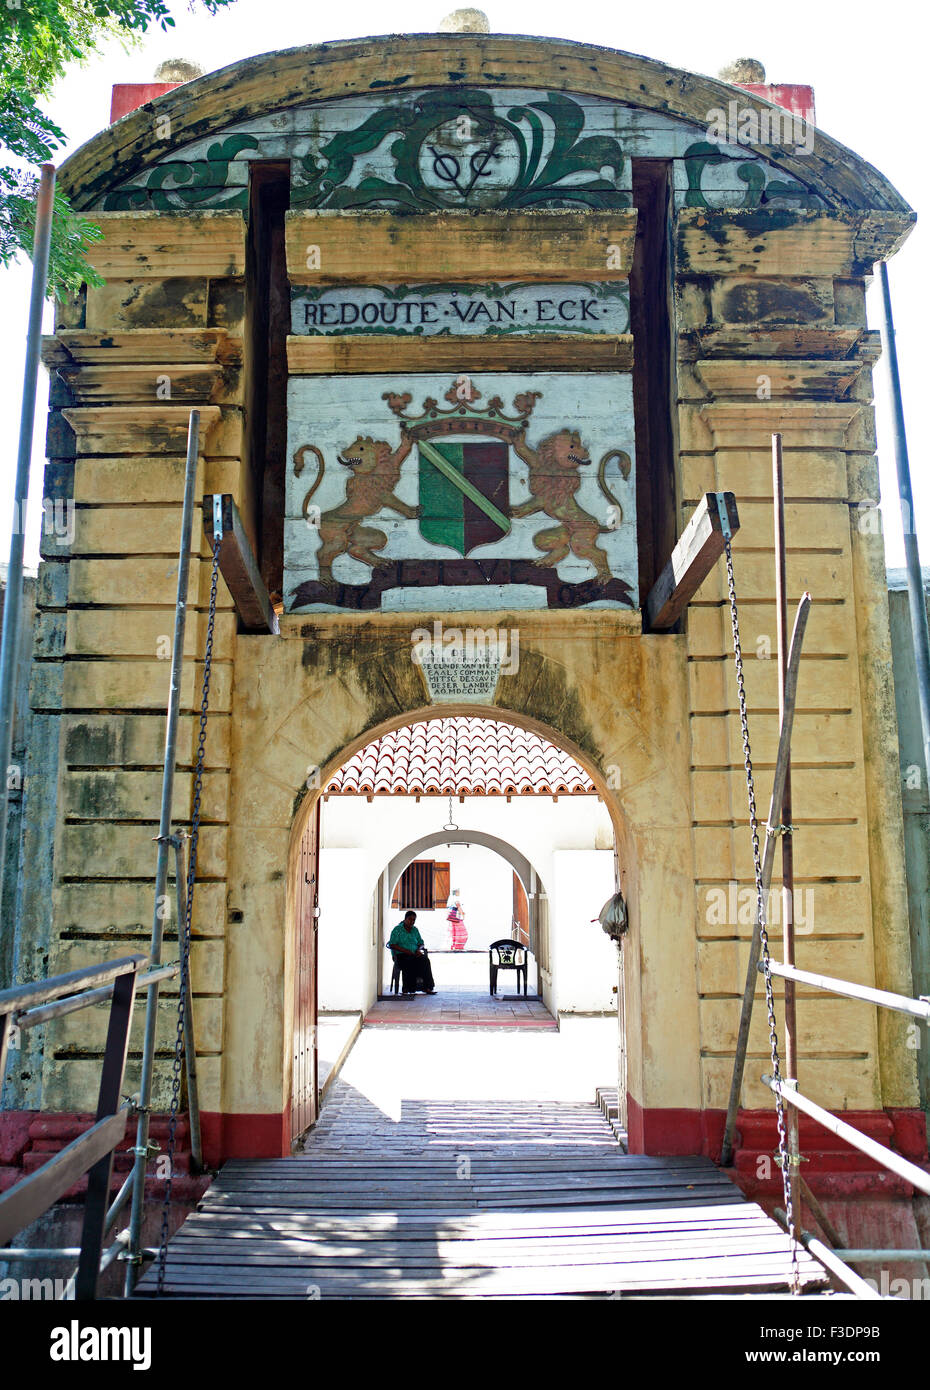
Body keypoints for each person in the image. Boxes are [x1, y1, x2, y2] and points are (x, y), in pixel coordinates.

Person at [388, 910, 436, 995]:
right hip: (401, 955)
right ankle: (407, 988)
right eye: (410, 919)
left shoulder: (415, 930)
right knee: (409, 961)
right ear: (405, 919)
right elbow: (392, 944)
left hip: (413, 954)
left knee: (425, 960)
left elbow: (421, 943)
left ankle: (427, 987)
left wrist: (418, 949)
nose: (412, 922)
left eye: (414, 920)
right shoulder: (397, 929)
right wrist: (405, 951)